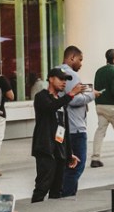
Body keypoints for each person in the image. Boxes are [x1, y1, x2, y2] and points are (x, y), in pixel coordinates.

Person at [31, 67, 79, 203]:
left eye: (66, 80)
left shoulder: (62, 102)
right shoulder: (41, 96)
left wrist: (69, 153)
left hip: (59, 149)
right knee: (42, 185)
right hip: (45, 147)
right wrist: (70, 95)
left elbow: (65, 128)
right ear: (51, 79)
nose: (64, 82)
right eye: (61, 79)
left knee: (57, 188)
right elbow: (50, 107)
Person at [55, 46, 95, 195]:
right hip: (75, 127)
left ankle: (62, 192)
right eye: (80, 60)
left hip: (64, 126)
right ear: (72, 57)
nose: (81, 64)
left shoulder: (57, 72)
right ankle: (66, 196)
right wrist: (92, 95)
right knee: (77, 165)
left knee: (67, 165)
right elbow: (74, 99)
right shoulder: (71, 75)